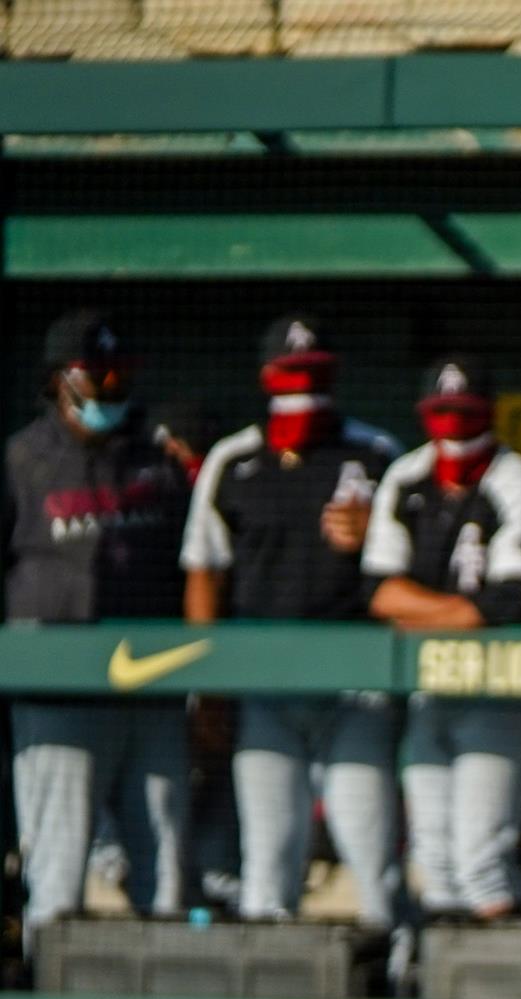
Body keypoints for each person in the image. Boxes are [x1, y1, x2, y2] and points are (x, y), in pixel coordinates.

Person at [180, 314, 405, 928]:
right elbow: (204, 571)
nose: (304, 387)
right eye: (291, 374)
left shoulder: (375, 452)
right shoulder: (235, 458)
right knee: (269, 843)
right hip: (264, 681)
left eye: (315, 374)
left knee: (368, 837)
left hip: (358, 680)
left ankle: (392, 961)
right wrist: (209, 684)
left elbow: (416, 568)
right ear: (266, 378)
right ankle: (269, 976)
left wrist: (373, 538)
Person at [6, 309, 191, 949]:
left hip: (153, 687)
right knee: (57, 870)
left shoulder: (158, 463)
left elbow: (195, 569)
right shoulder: (21, 461)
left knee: (162, 868)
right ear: (61, 380)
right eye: (97, 375)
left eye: (121, 375)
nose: (111, 389)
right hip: (57, 693)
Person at [363, 357, 521, 922]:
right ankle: (442, 983)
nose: (452, 424)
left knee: (480, 857)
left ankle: (496, 994)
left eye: (464, 412)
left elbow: (507, 601)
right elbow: (377, 590)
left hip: (498, 689)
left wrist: (422, 612)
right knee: (434, 856)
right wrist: (458, 612)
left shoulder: (516, 479)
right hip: (431, 687)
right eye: (442, 411)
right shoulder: (407, 475)